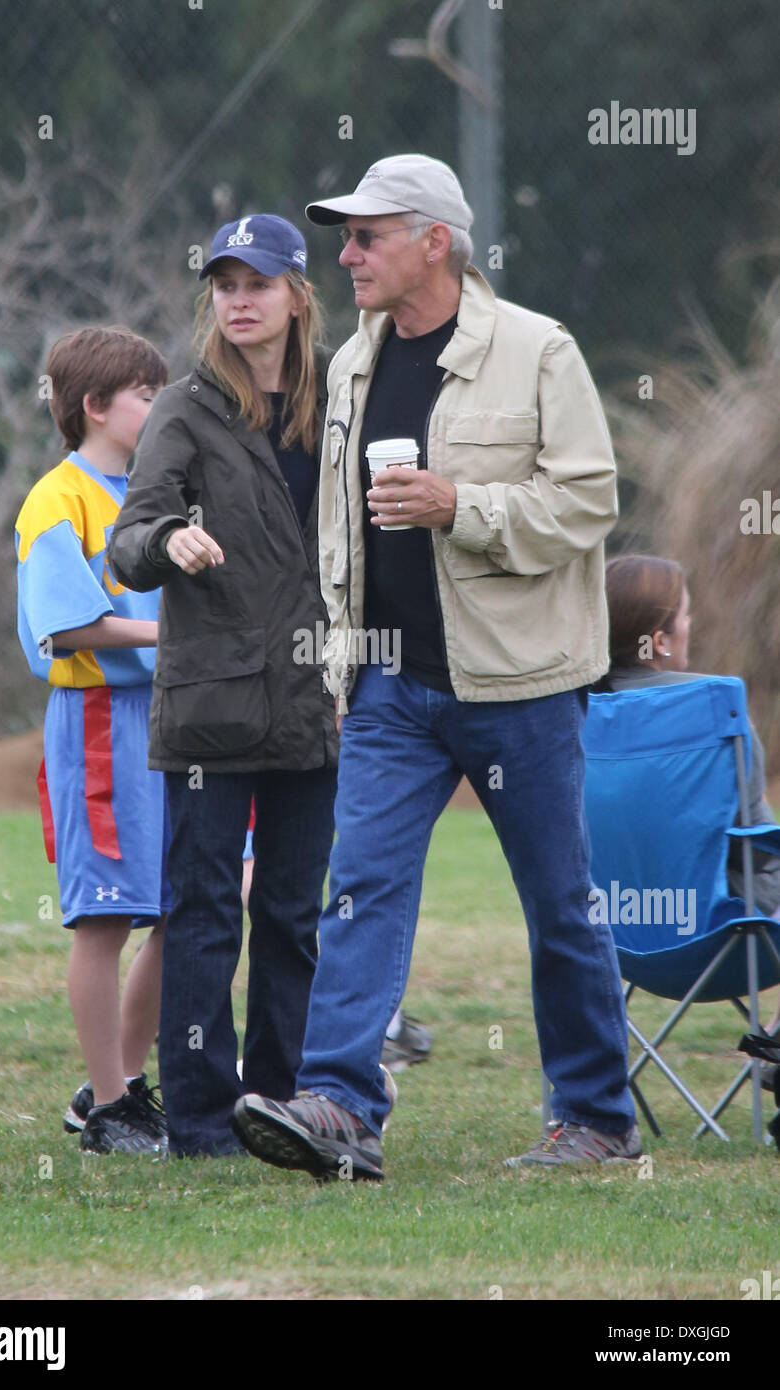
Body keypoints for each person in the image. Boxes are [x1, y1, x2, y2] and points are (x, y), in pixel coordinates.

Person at [233, 153, 639, 1179]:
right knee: (359, 890)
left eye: (367, 235)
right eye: (346, 233)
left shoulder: (539, 351)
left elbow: (589, 503)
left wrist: (464, 505)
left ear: (435, 242)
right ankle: (339, 1107)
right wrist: (339, 665)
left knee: (558, 901)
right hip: (388, 690)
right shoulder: (351, 366)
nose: (347, 253)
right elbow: (337, 530)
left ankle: (592, 1118)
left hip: (522, 685)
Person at [108, 215, 340, 1157]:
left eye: (259, 284)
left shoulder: (340, 397)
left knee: (291, 915)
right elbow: (129, 541)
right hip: (212, 700)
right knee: (202, 915)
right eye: (226, 285)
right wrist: (167, 542)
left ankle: (279, 1105)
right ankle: (201, 1121)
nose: (240, 302)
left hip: (315, 698)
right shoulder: (184, 406)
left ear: (296, 296)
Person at [15, 324, 170, 1154]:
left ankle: (120, 1086)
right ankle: (110, 1109)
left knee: (185, 908)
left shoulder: (156, 493)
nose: (159, 403)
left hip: (172, 724)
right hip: (101, 726)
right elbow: (71, 626)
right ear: (96, 406)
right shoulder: (57, 498)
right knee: (104, 920)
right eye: (147, 392)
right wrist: (173, 642)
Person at [601, 553, 780, 1042]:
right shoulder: (715, 712)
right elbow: (757, 846)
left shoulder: (569, 713)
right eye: (685, 614)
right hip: (727, 936)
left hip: (610, 941)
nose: (691, 624)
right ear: (659, 640)